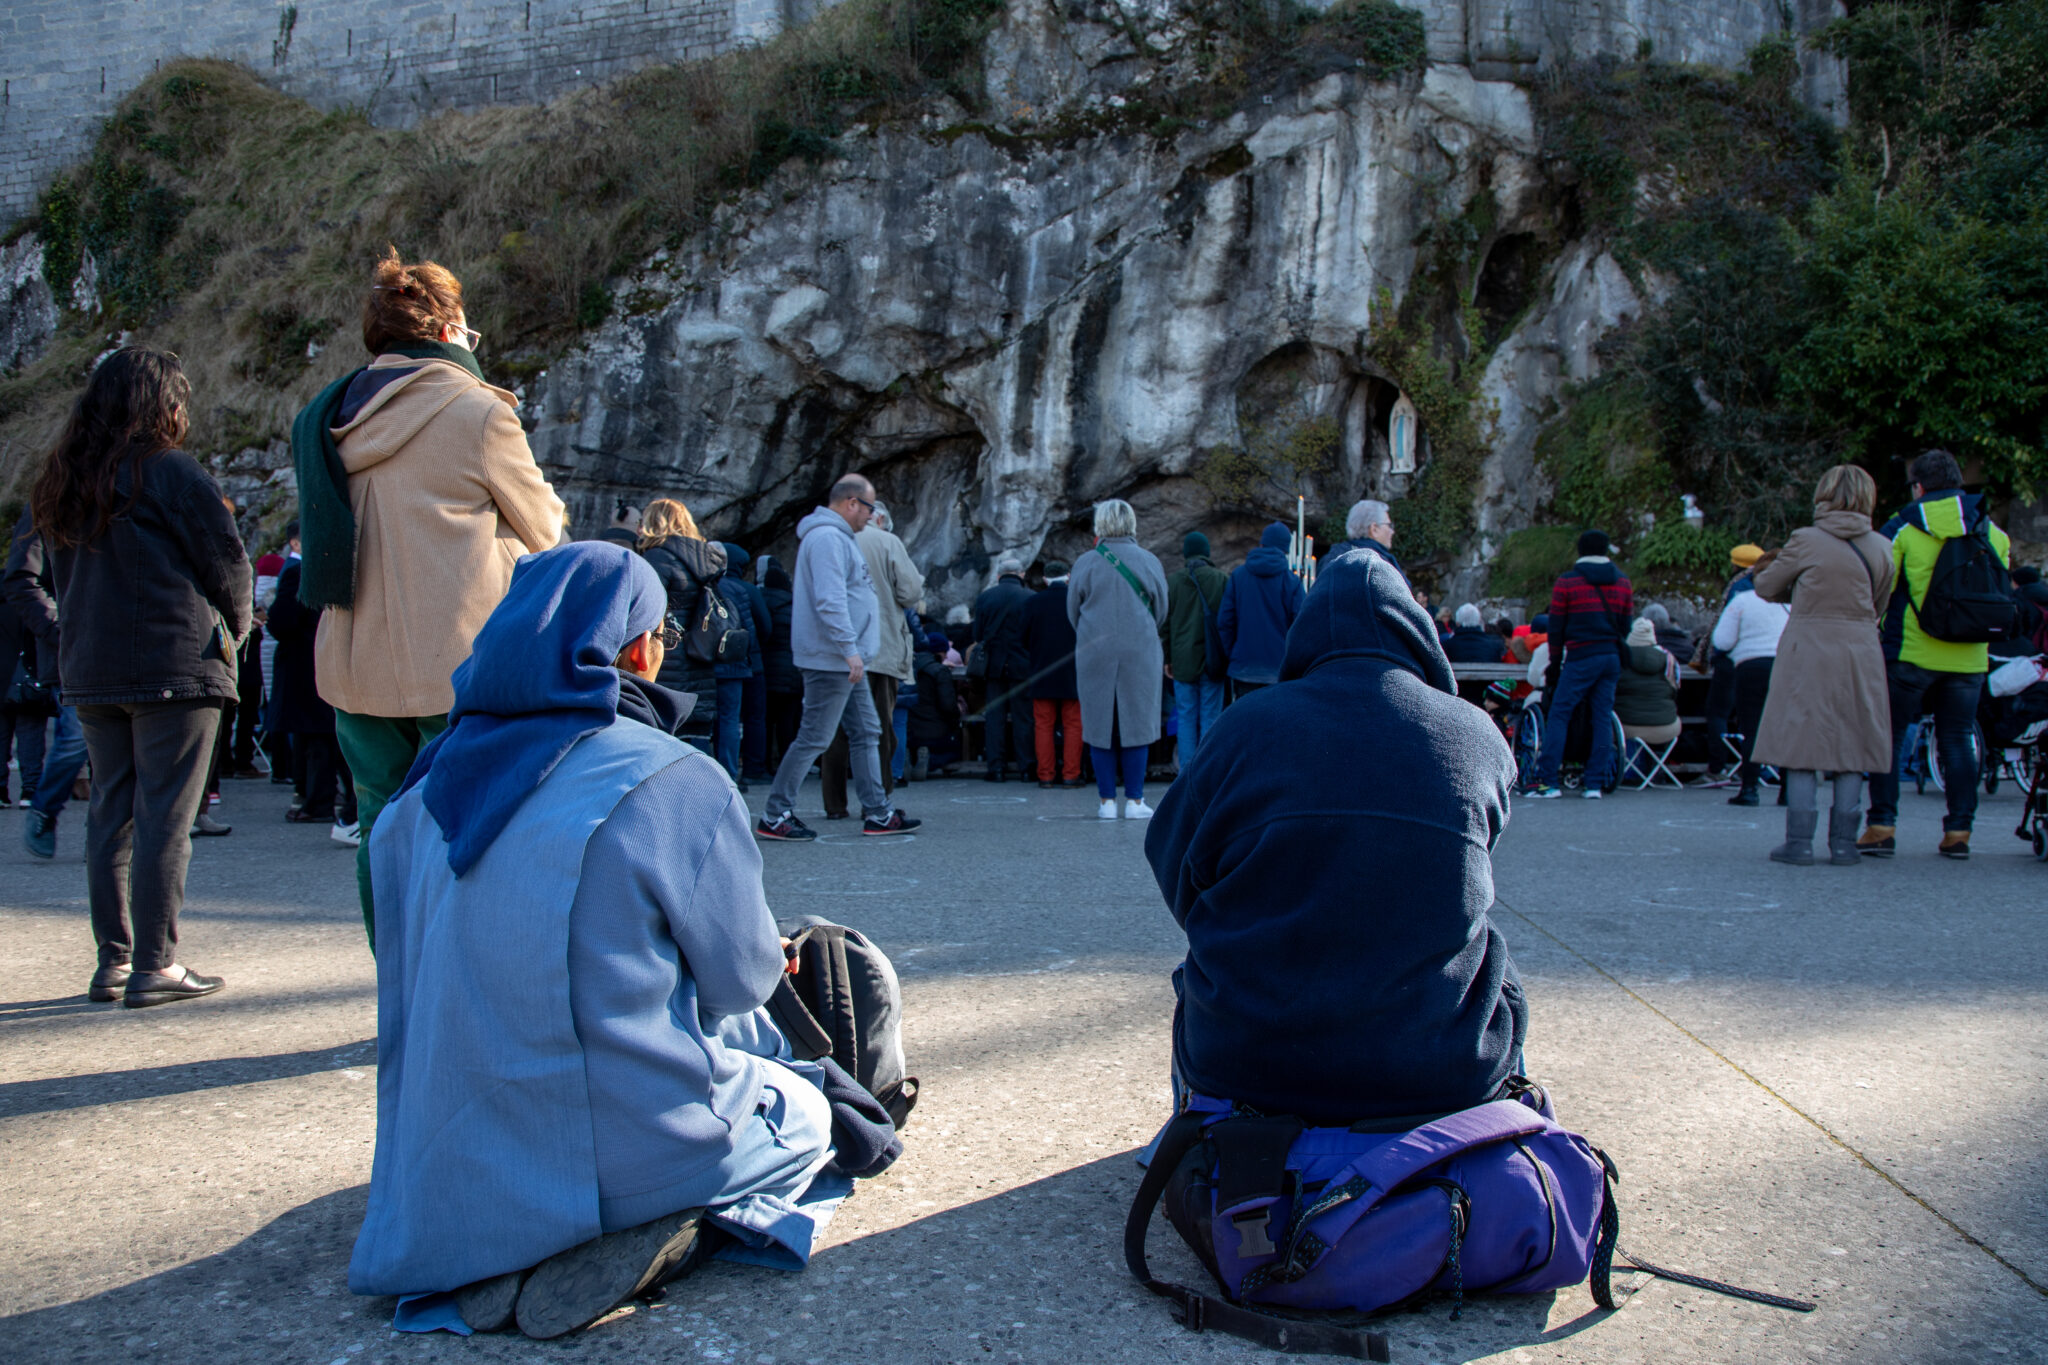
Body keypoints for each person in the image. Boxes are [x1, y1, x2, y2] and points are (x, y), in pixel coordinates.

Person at [351, 542, 885, 1339]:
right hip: (620, 1153)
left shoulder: (414, 800)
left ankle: (510, 1243)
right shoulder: (670, 776)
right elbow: (740, 985)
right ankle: (675, 1226)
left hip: (444, 1175)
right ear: (639, 648)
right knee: (807, 1112)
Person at [1144, 548, 1525, 1120]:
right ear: (1420, 635)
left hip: (1255, 1062)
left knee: (1197, 973)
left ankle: (1203, 1127)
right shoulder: (1476, 734)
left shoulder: (1244, 727)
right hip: (1438, 1066)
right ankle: (1486, 1127)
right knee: (1493, 955)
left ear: (1306, 634)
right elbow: (1469, 868)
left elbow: (1172, 857)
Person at [293, 248, 564, 945]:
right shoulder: (476, 413)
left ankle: (402, 989)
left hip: (354, 660)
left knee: (381, 826)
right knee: (472, 825)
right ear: (448, 332)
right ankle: (463, 991)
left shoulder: (323, 419)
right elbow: (546, 526)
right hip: (460, 663)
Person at [29, 347, 252, 1007]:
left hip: (92, 669)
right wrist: (234, 631)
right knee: (165, 817)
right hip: (173, 666)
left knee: (110, 814)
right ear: (163, 404)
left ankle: (114, 961)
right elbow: (227, 562)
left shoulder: (63, 479)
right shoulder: (172, 472)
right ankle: (157, 963)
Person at [1864, 448, 2011, 858]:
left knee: (1889, 739)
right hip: (1969, 656)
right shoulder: (1992, 531)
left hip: (1911, 653)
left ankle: (1881, 826)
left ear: (1919, 486)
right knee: (1958, 740)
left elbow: (1881, 589)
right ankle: (1958, 833)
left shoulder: (1903, 528)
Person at [757, 474, 919, 841]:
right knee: (815, 736)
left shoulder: (837, 538)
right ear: (851, 503)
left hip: (846, 658)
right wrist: (849, 650)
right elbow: (830, 600)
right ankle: (775, 814)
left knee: (867, 731)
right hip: (833, 659)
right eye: (869, 507)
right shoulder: (828, 538)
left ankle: (878, 812)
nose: (871, 515)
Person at [1749, 465, 1896, 865]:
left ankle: (1799, 842)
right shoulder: (1883, 547)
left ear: (1823, 495)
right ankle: (1845, 844)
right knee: (1853, 742)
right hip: (1860, 649)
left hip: (1809, 646)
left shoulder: (1806, 541)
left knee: (1802, 740)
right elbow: (1879, 604)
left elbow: (1764, 586)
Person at [1066, 499, 1169, 819]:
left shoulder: (1085, 562)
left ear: (1101, 524)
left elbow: (1073, 611)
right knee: (1138, 722)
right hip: (1140, 650)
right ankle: (1135, 801)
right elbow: (1162, 609)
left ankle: (1106, 802)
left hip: (1095, 650)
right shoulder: (1149, 560)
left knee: (1099, 724)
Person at [822, 502, 924, 809]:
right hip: (879, 648)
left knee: (836, 729)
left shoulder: (830, 540)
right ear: (879, 518)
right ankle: (878, 800)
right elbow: (910, 593)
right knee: (877, 725)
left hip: (836, 650)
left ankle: (834, 802)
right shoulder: (886, 541)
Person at [4, 509, 91, 857]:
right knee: (76, 740)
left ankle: (107, 838)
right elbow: (21, 579)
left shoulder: (127, 497)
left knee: (119, 750)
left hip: (123, 650)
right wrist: (60, 629)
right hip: (70, 655)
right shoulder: (48, 506)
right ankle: (45, 807)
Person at [1529, 530, 1634, 799]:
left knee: (1560, 713)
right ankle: (1594, 784)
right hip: (1610, 656)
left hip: (1580, 656)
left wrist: (1554, 662)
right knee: (1601, 716)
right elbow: (1626, 626)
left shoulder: (1568, 582)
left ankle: (1549, 780)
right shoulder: (1623, 583)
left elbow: (1557, 627)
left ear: (1581, 550)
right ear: (1606, 550)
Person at [267, 552, 361, 844]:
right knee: (329, 737)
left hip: (305, 663)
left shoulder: (298, 572)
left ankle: (322, 803)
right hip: (336, 658)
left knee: (315, 739)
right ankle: (335, 802)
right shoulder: (348, 566)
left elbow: (281, 621)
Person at [635, 497, 727, 739]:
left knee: (663, 739)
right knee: (697, 742)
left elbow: (646, 609)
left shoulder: (657, 558)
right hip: (702, 654)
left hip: (668, 659)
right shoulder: (709, 558)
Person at [1709, 554, 1789, 807]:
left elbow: (1722, 640)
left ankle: (1750, 788)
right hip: (1785, 665)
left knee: (1751, 728)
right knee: (1784, 728)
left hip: (1751, 666)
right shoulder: (1792, 605)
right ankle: (1787, 790)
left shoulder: (1743, 601)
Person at [1698, 545, 1764, 785]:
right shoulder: (1772, 587)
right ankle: (1751, 769)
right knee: (1750, 718)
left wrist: (1716, 654)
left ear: (1736, 565)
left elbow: (1725, 633)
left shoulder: (1737, 589)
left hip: (1733, 660)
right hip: (1764, 660)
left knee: (1718, 713)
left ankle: (1717, 767)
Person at [1217, 521, 1306, 695]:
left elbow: (1225, 621)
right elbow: (1301, 627)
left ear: (1261, 544)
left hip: (1244, 667)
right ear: (1286, 550)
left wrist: (1234, 653)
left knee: (1245, 721)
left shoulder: (1238, 576)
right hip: (1278, 669)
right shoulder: (1291, 582)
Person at [1162, 532, 1228, 765]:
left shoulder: (1173, 582)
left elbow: (1165, 624)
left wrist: (1167, 658)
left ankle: (1186, 776)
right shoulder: (1220, 579)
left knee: (1186, 719)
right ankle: (1207, 773)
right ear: (1207, 552)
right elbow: (1228, 621)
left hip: (1182, 660)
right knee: (1211, 717)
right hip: (1213, 660)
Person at [1022, 558, 1084, 787]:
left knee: (1043, 725)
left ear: (1045, 579)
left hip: (1042, 670)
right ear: (1069, 577)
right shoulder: (1077, 601)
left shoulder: (1033, 602)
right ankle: (1071, 774)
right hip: (1072, 672)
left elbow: (1023, 638)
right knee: (1073, 724)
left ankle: (1045, 775)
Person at [970, 558, 1033, 781]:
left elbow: (977, 634)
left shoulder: (986, 597)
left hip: (993, 665)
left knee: (994, 718)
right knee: (1023, 717)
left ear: (999, 575)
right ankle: (1026, 767)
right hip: (1021, 665)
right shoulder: (1029, 597)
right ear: (1021, 574)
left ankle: (996, 768)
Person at [719, 544, 775, 787]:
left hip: (710, 661)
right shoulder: (748, 590)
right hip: (749, 661)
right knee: (752, 718)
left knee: (717, 719)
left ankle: (715, 771)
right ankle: (751, 768)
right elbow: (765, 626)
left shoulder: (708, 586)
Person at [1614, 616, 1681, 777]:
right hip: (1665, 727)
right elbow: (1675, 691)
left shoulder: (1618, 658)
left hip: (1626, 726)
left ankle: (1623, 770)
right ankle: (1658, 772)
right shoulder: (1669, 660)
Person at [758, 557, 802, 772]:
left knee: (763, 720)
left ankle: (764, 763)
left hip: (765, 669)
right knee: (787, 721)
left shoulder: (759, 600)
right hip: (790, 671)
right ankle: (786, 764)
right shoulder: (794, 605)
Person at [907, 632, 963, 777]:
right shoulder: (939, 671)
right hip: (934, 730)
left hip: (908, 729)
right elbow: (948, 706)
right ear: (940, 652)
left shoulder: (906, 667)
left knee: (911, 745)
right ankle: (929, 761)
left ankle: (909, 759)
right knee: (955, 752)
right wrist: (956, 723)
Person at [1324, 498, 1405, 584]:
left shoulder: (1333, 557)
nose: (1392, 531)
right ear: (1374, 529)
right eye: (1389, 525)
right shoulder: (1378, 563)